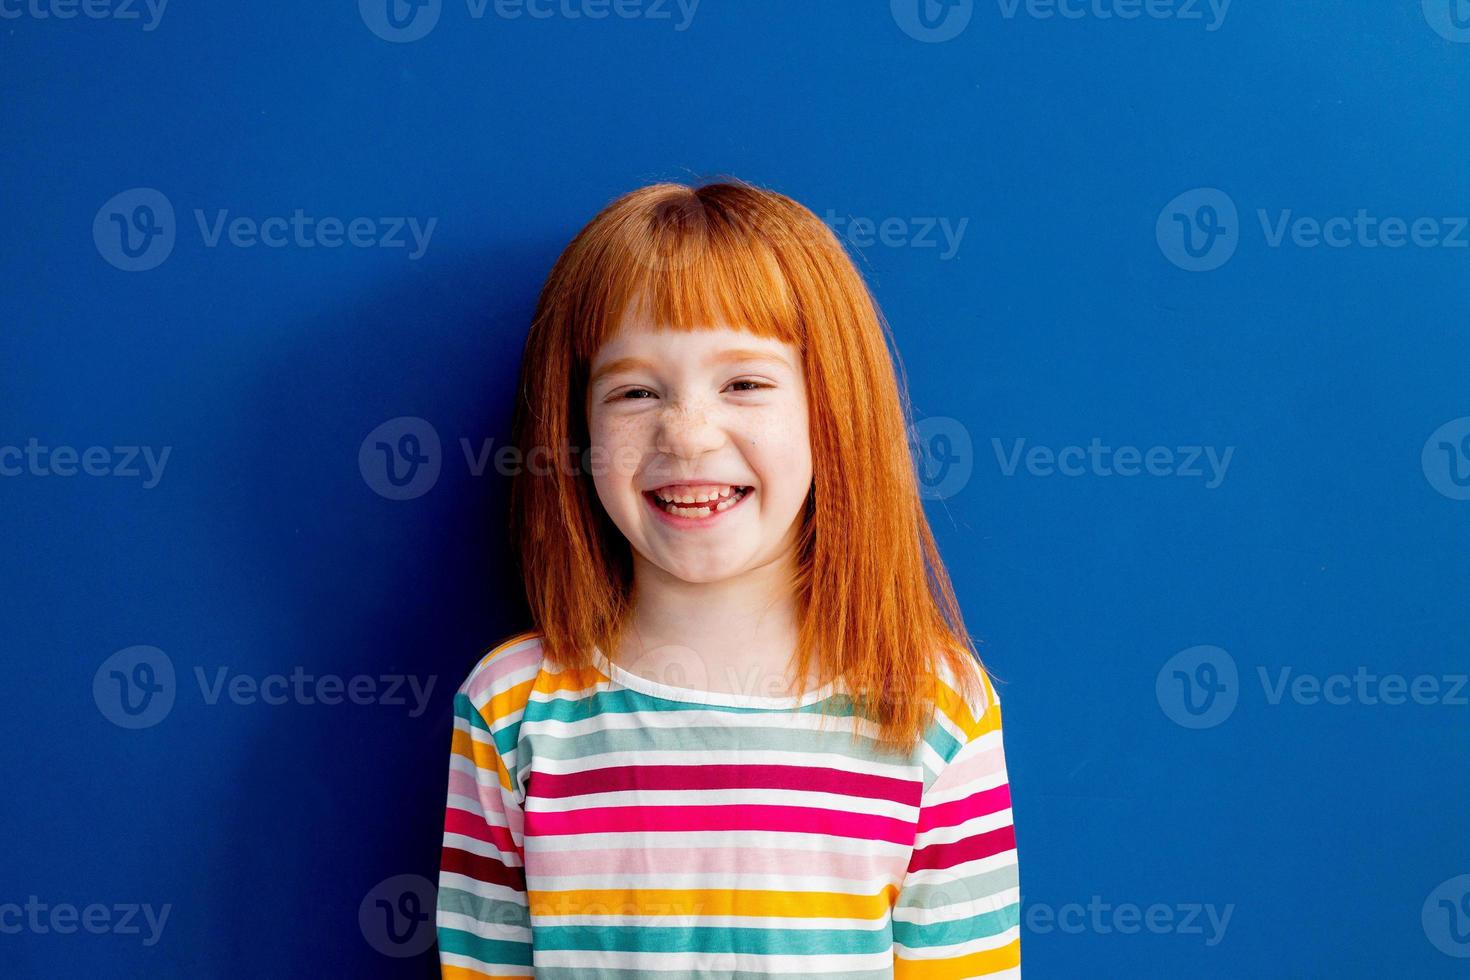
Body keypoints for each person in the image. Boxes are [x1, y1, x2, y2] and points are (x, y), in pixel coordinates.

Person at [435, 178, 1020, 978]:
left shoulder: (934, 707)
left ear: (832, 410)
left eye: (744, 382)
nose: (687, 433)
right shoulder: (511, 709)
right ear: (574, 430)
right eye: (635, 392)